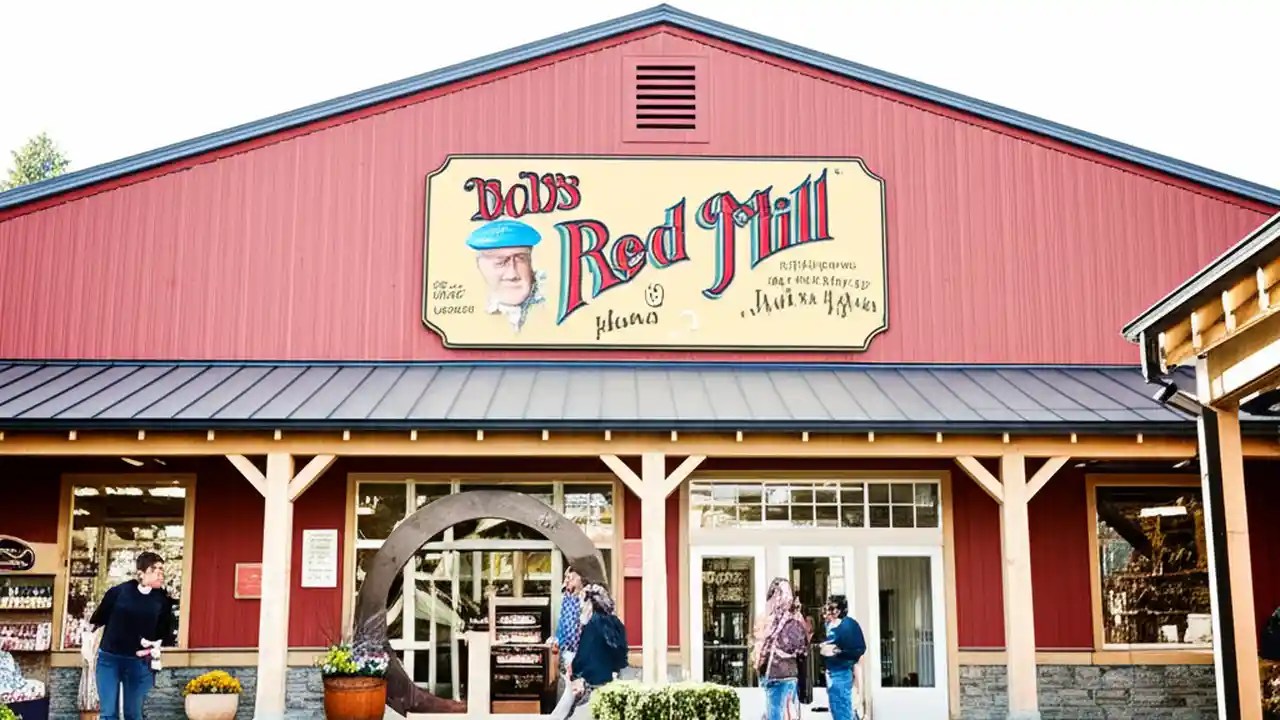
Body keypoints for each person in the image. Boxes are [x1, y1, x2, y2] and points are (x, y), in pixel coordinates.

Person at [86, 551, 173, 720]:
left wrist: (153, 647)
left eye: (162, 569)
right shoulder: (119, 592)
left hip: (138, 663)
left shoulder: (162, 600)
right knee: (108, 713)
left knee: (133, 713)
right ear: (141, 573)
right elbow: (98, 619)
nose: (160, 573)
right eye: (155, 569)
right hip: (109, 659)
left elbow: (164, 633)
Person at [558, 583, 628, 719]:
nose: (580, 607)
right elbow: (622, 653)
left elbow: (584, 655)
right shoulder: (615, 622)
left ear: (589, 603)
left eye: (581, 603)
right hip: (610, 678)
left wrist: (574, 672)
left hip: (593, 681)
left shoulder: (592, 625)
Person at [467, 219, 546, 331]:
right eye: (501, 263)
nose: (512, 274)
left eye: (521, 260)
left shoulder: (548, 302)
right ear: (481, 266)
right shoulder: (474, 314)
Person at [754, 578, 809, 720]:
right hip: (778, 675)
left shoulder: (788, 619)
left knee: (779, 712)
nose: (786, 598)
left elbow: (800, 648)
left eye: (785, 593)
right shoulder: (773, 618)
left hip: (780, 675)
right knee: (784, 711)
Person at [819, 594, 867, 720]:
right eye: (828, 608)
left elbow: (859, 650)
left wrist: (836, 651)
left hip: (842, 673)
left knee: (842, 711)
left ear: (839, 610)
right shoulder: (828, 626)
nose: (829, 612)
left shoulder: (848, 625)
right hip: (832, 673)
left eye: (832, 608)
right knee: (838, 709)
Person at [550, 566, 584, 677]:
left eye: (571, 578)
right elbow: (563, 623)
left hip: (577, 648)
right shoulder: (566, 598)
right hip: (566, 648)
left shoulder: (583, 600)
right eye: (567, 578)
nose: (567, 580)